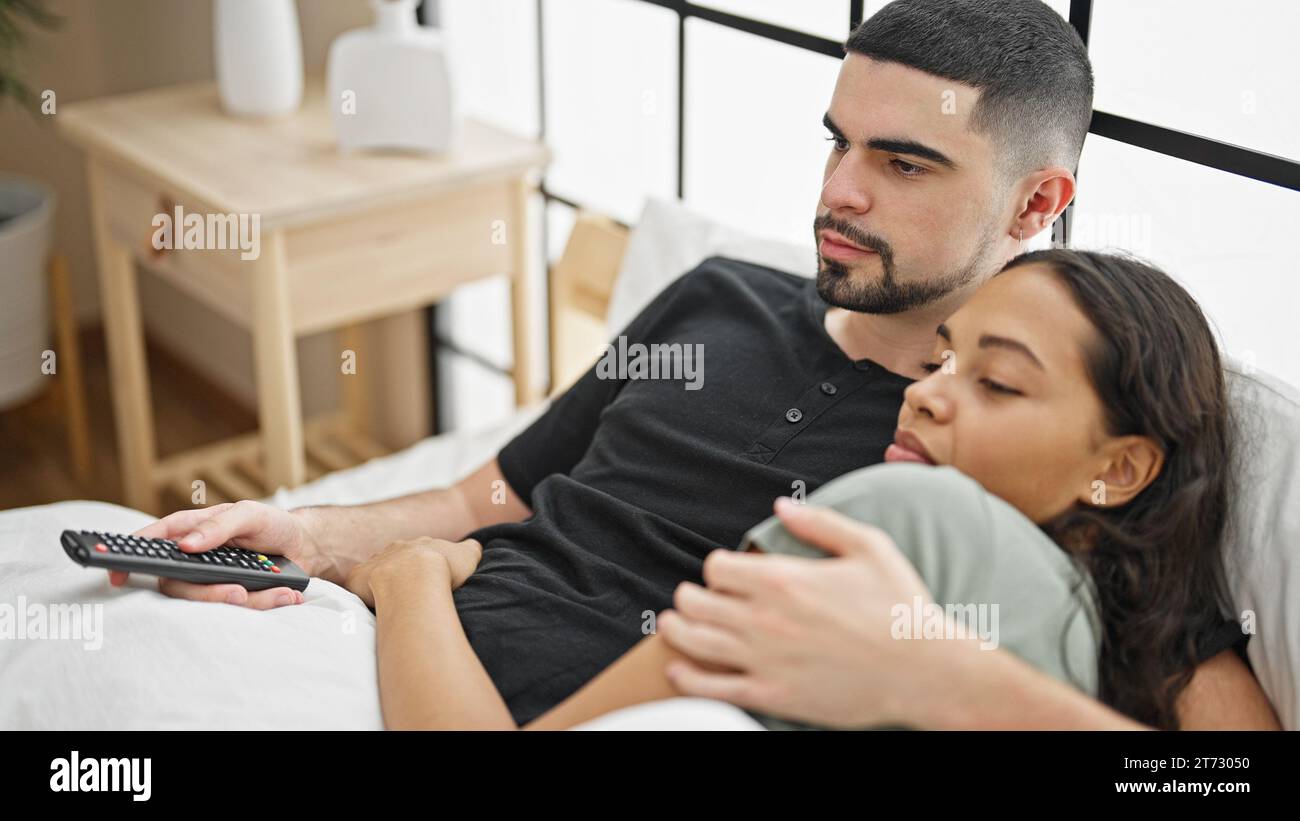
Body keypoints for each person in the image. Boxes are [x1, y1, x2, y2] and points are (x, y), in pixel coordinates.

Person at [114, 0, 1277, 728]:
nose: (840, 191)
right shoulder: (716, 294)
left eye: (905, 164)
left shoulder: (1002, 454)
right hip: (362, 635)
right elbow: (493, 492)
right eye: (838, 142)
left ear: (1038, 200)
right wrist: (310, 537)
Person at [338, 249, 1274, 731]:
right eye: (944, 357)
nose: (925, 392)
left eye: (996, 382)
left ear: (1119, 467)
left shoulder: (897, 523)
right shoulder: (1067, 621)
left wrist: (412, 576)